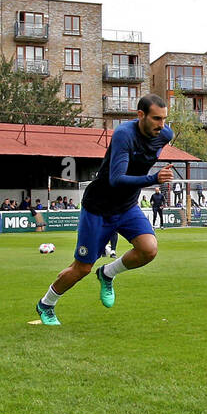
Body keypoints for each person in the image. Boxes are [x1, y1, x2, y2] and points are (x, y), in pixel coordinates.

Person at [35, 94, 175, 325]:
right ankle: (46, 304)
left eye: (165, 119)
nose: (162, 126)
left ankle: (108, 273)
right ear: (140, 115)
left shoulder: (164, 135)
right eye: (156, 119)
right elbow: (116, 179)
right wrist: (153, 178)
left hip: (127, 206)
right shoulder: (123, 135)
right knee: (82, 268)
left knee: (148, 250)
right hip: (98, 208)